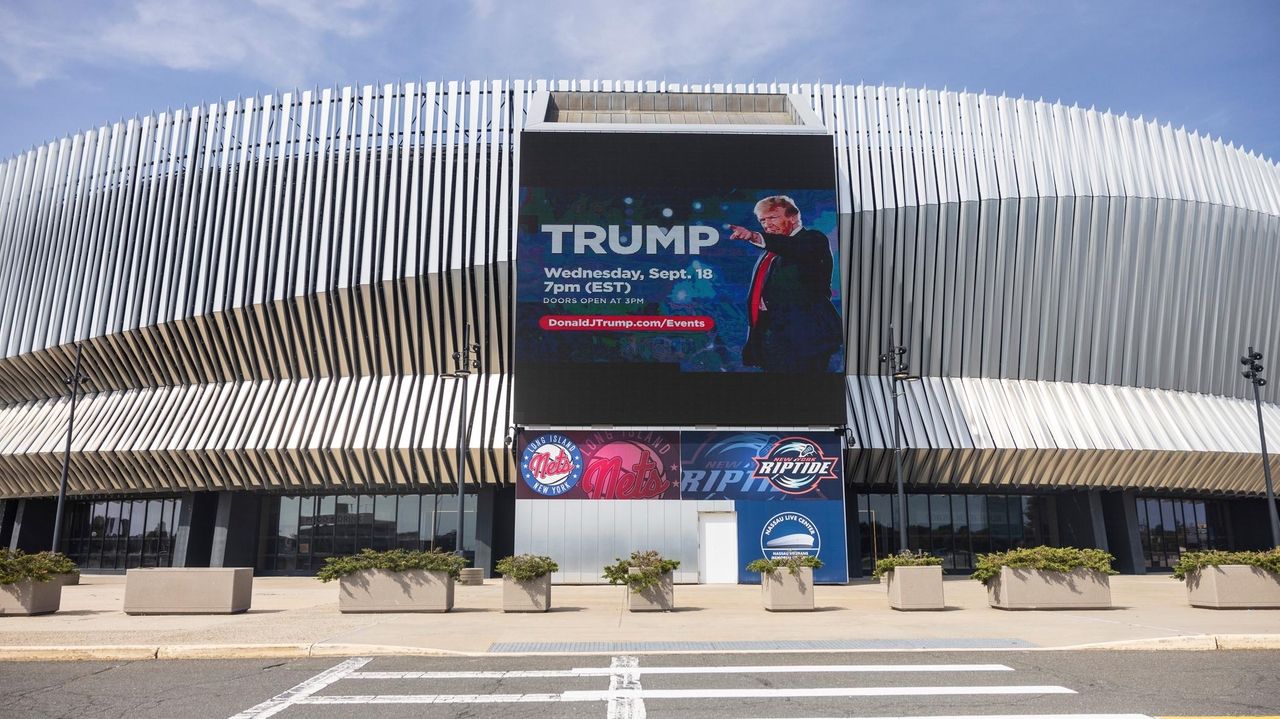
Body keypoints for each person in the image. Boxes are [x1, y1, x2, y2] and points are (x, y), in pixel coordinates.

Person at [728, 195, 841, 372]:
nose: (767, 224)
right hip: (772, 337)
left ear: (793, 217)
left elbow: (793, 247)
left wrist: (753, 236)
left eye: (772, 217)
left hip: (805, 337)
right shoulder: (769, 253)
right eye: (762, 220)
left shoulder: (813, 239)